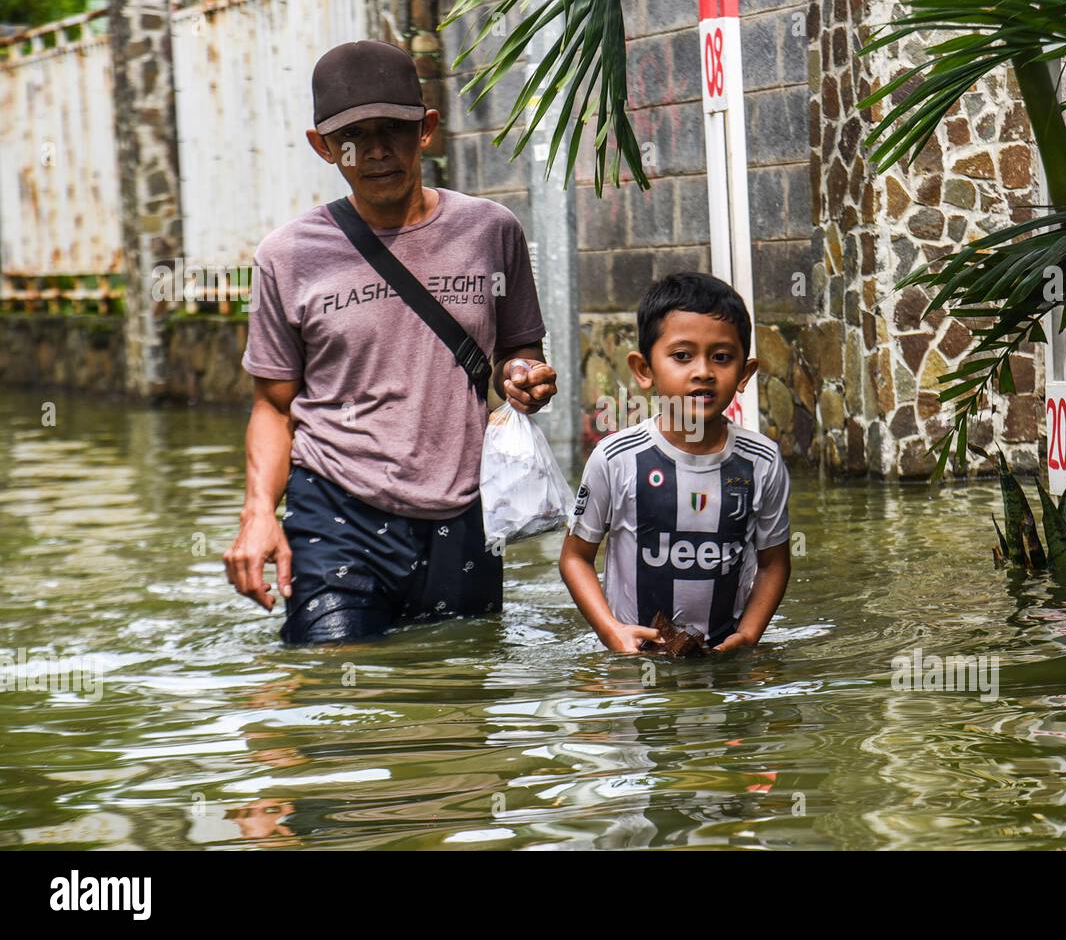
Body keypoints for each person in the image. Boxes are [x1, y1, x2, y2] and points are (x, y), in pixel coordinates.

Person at [223, 40, 558, 644]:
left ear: (426, 129)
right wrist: (257, 518)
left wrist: (526, 378)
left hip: (463, 513)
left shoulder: (490, 232)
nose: (375, 151)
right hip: (336, 511)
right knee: (335, 689)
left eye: (393, 130)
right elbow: (273, 405)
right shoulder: (286, 256)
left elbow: (519, 352)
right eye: (352, 136)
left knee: (461, 693)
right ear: (322, 146)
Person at [559, 272, 792, 654]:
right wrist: (611, 631)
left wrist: (748, 637)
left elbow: (773, 564)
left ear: (745, 373)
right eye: (682, 356)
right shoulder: (616, 458)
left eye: (722, 357)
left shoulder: (761, 462)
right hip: (633, 661)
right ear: (643, 369)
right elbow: (576, 558)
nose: (703, 371)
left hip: (724, 658)